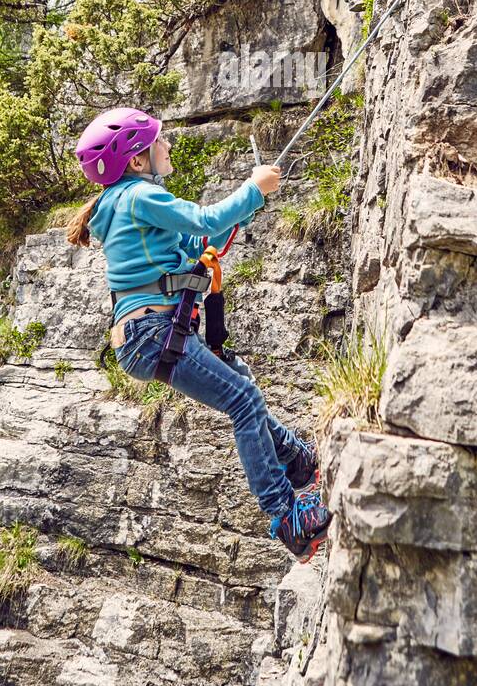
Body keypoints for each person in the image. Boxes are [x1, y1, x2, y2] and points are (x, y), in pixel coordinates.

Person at [66, 106, 333, 564]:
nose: (167, 146)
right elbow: (206, 220)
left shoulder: (122, 203)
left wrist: (247, 206)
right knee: (243, 399)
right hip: (153, 332)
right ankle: (287, 515)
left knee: (239, 385)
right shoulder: (138, 197)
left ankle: (297, 461)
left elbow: (198, 244)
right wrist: (253, 189)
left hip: (146, 335)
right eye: (159, 141)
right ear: (136, 160)